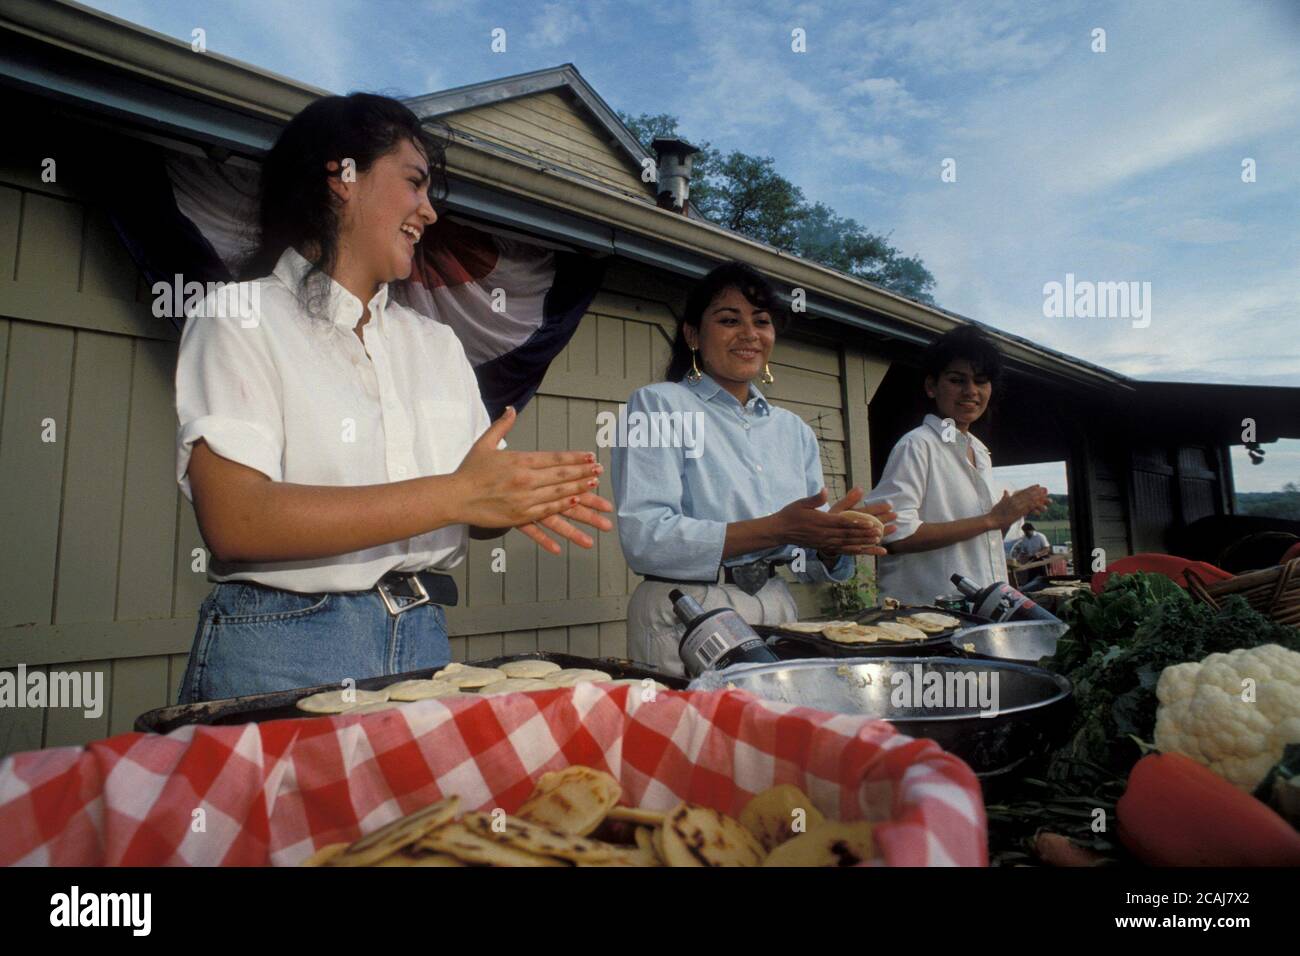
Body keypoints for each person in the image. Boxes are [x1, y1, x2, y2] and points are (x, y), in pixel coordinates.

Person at [175, 93, 613, 703]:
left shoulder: (434, 344)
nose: (429, 213)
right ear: (342, 177)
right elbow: (236, 521)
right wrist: (461, 492)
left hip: (425, 637)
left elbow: (467, 502)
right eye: (414, 183)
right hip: (281, 643)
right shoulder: (238, 316)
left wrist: (515, 496)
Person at [610, 261, 895, 675]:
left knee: (771, 736)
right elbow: (645, 537)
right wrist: (779, 529)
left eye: (761, 321)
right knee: (697, 737)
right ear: (692, 334)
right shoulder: (658, 405)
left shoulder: (793, 430)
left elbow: (803, 558)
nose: (749, 334)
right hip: (687, 612)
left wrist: (830, 542)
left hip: (778, 607)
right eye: (729, 320)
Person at [865, 326, 1049, 606]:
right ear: (931, 386)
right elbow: (895, 535)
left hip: (978, 612)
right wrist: (992, 519)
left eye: (981, 381)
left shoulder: (979, 451)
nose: (971, 391)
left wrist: (1008, 515)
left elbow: (981, 539)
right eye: (957, 380)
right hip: (925, 616)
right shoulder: (917, 445)